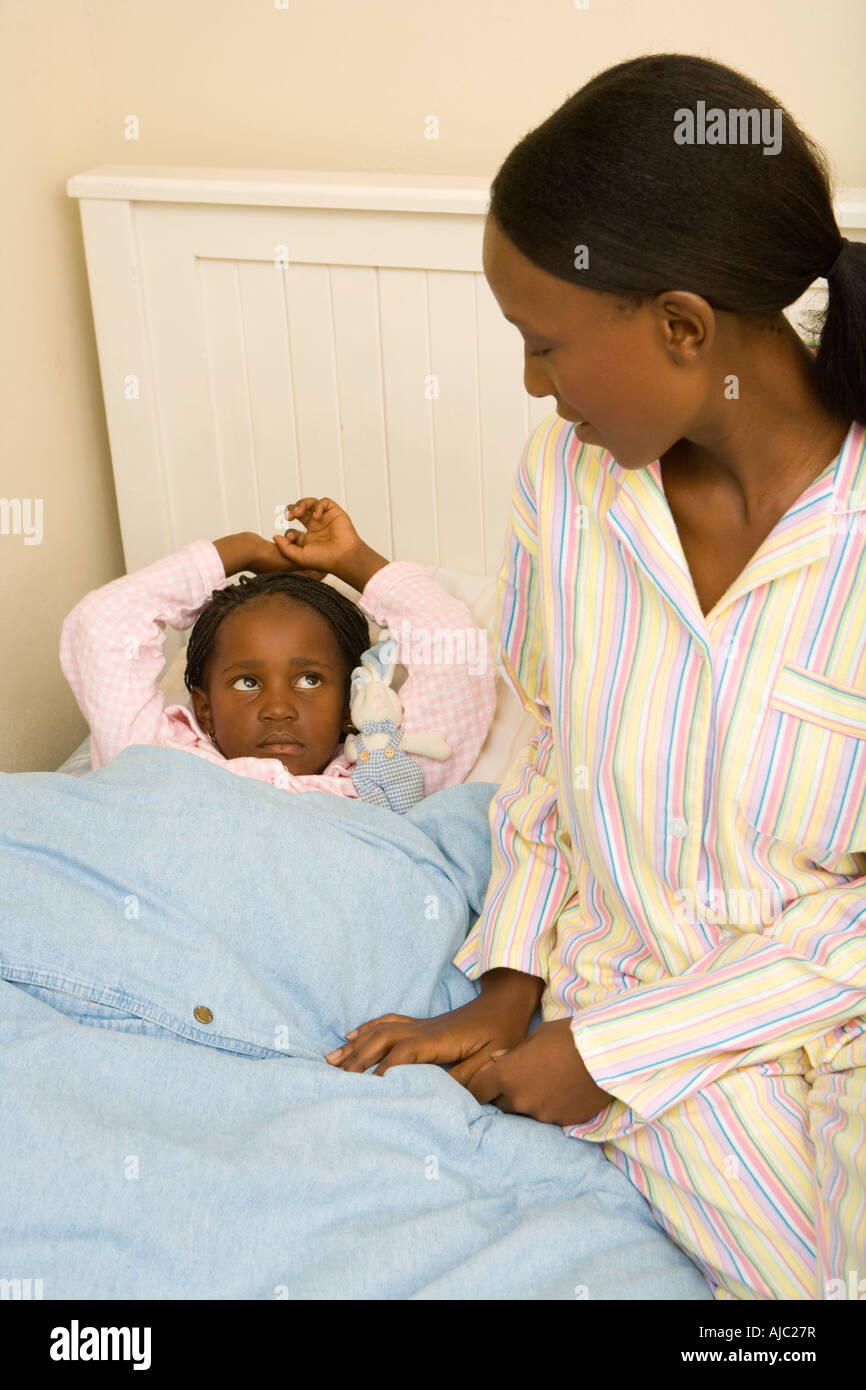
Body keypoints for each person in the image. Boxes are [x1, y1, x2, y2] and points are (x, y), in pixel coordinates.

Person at [327, 53, 866, 1301]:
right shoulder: (566, 485)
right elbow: (547, 750)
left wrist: (614, 1050)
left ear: (681, 327)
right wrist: (511, 989)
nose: (532, 384)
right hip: (649, 997)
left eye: (543, 345)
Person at [60, 497, 495, 798]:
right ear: (205, 709)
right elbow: (102, 625)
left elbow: (458, 653)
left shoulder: (382, 782)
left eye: (309, 679)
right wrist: (240, 551)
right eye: (247, 682)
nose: (278, 708)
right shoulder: (156, 755)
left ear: (350, 705)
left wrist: (352, 558)